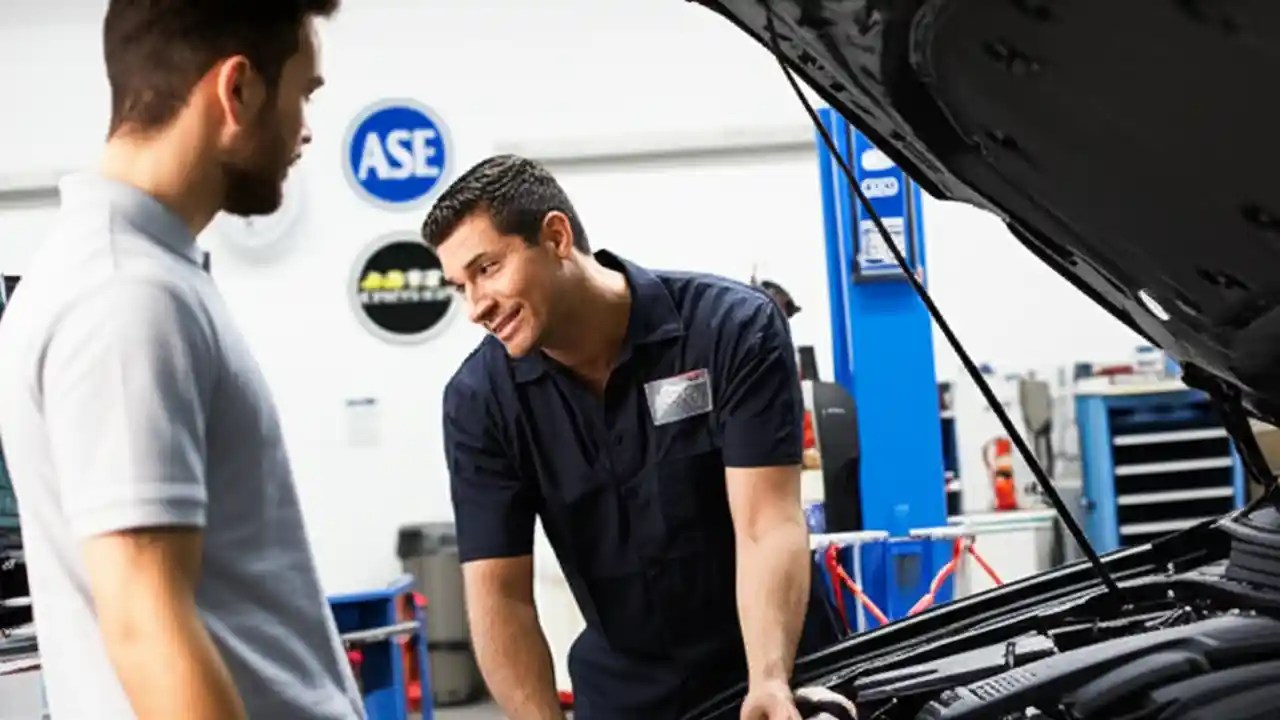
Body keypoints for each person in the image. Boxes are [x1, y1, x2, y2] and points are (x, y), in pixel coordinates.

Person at [0, 2, 363, 718]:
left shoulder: (140, 275)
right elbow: (145, 628)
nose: (307, 129)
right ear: (237, 90)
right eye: (305, 94)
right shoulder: (123, 294)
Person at [425, 154, 839, 720]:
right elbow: (502, 595)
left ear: (555, 236)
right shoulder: (480, 401)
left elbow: (766, 525)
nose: (475, 307)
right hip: (627, 698)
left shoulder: (731, 330)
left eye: (488, 268)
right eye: (460, 286)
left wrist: (768, 679)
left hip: (782, 670)